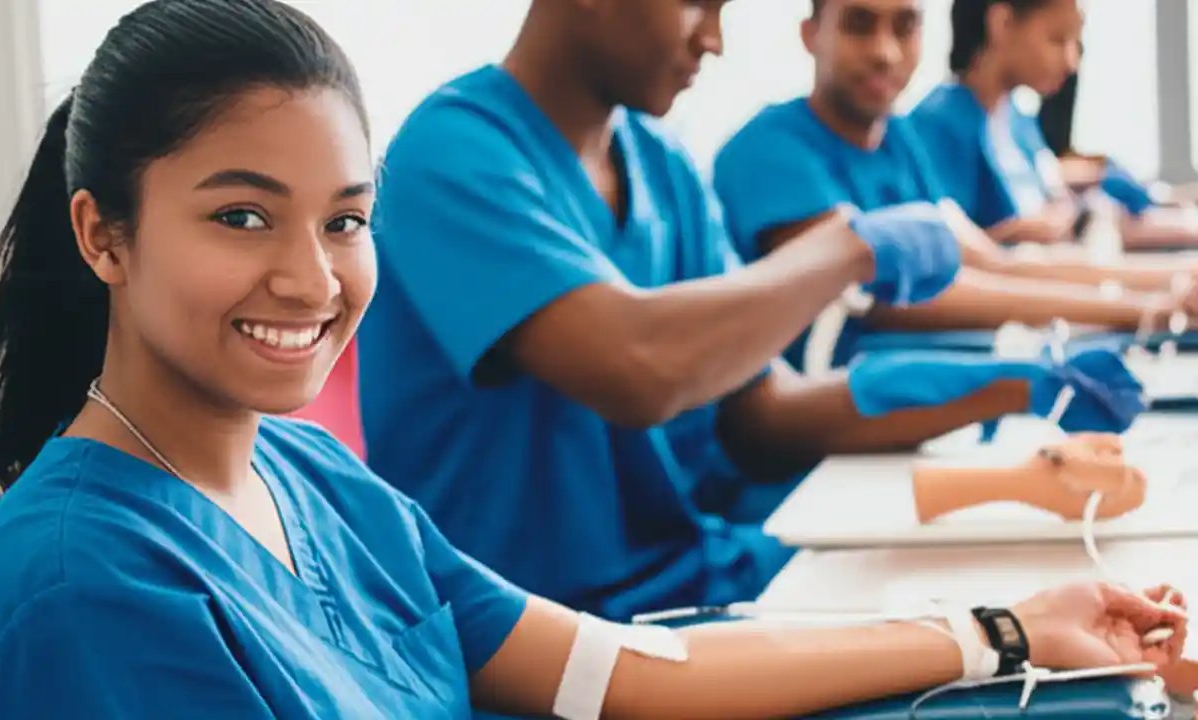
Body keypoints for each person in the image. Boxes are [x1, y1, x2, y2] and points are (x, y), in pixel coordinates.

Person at [0, 2, 1186, 717]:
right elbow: (639, 371)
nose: (313, 279)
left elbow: (626, 666)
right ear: (101, 233)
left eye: (345, 220)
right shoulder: (86, 590)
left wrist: (1006, 628)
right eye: (241, 215)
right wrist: (853, 253)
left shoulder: (315, 484)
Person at [358, 0, 1144, 625]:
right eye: (699, 4)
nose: (717, 41)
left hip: (696, 579)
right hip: (537, 635)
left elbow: (762, 416)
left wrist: (1024, 384)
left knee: (1042, 602)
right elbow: (637, 370)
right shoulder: (452, 153)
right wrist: (848, 248)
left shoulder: (661, 165)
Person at [714, 0, 1198, 369]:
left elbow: (996, 264)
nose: (885, 52)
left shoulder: (899, 139)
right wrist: (1143, 307)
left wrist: (1173, 284)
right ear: (810, 34)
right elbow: (891, 301)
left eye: (905, 27)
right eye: (860, 25)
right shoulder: (768, 152)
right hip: (819, 433)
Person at [912, 0, 1198, 250]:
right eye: (1058, 39)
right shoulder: (937, 127)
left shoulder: (1018, 123)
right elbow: (942, 252)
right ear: (1003, 23)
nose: (1071, 62)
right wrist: (1010, 237)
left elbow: (1054, 194)